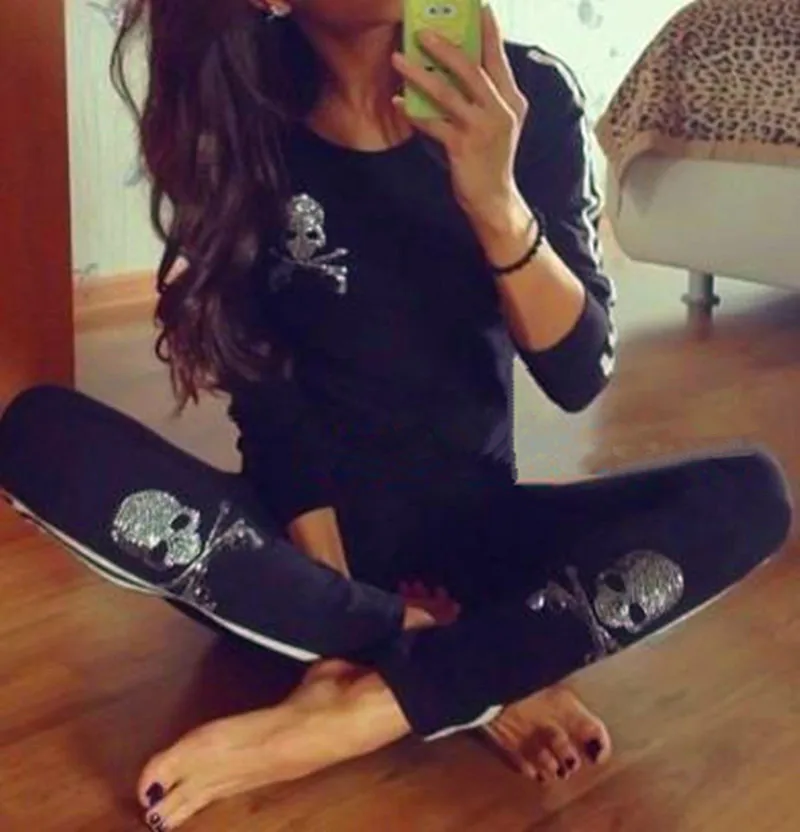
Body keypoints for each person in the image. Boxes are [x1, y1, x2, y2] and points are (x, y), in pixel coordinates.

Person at [3, 1, 787, 830]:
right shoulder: (240, 110)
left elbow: (577, 374)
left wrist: (494, 198)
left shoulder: (523, 96)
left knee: (749, 497)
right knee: (38, 436)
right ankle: (468, 673)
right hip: (290, 564)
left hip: (482, 539)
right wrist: (362, 613)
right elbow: (271, 409)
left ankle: (359, 711)